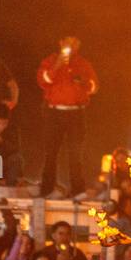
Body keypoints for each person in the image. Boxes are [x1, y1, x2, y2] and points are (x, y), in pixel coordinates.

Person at [36, 36, 99, 200]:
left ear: (78, 45)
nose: (70, 45)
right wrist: (57, 65)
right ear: (60, 43)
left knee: (75, 154)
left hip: (76, 113)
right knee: (51, 153)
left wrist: (83, 81)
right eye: (67, 42)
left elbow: (93, 86)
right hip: (54, 113)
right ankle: (47, 189)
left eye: (74, 42)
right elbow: (43, 80)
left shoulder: (83, 64)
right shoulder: (49, 61)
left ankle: (78, 190)